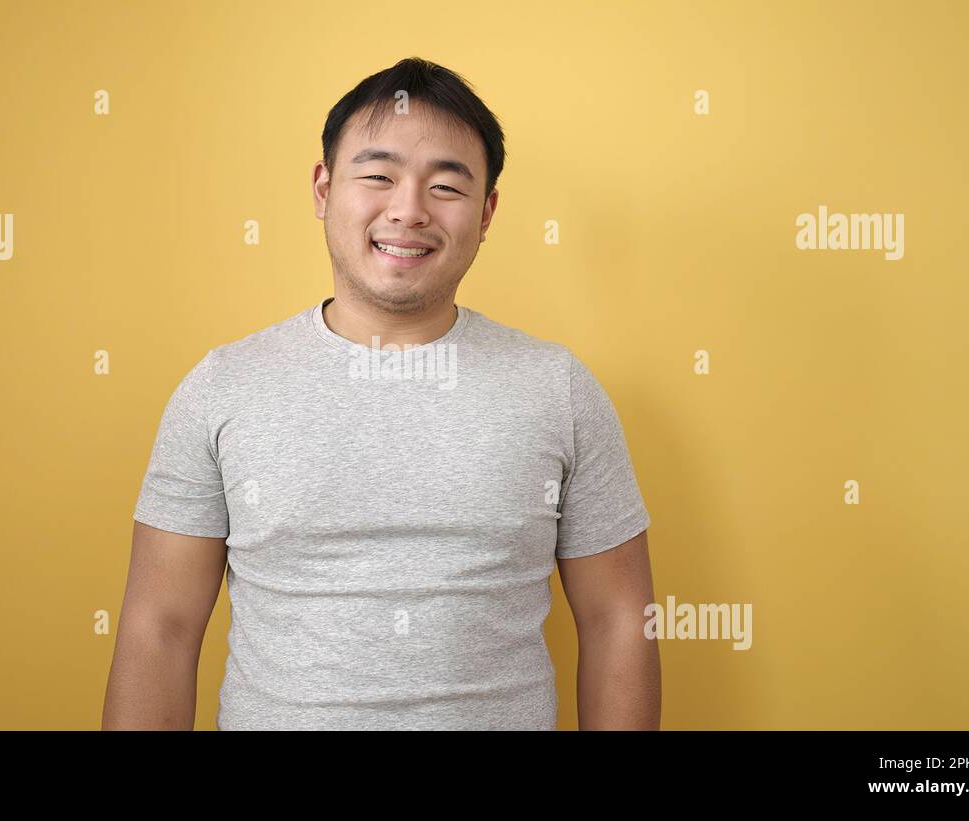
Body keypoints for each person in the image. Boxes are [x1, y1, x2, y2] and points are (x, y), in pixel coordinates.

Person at [101, 57, 658, 730]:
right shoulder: (223, 387)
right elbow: (158, 629)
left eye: (446, 186)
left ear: (486, 213)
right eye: (378, 176)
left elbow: (618, 620)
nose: (408, 210)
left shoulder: (558, 389)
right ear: (323, 189)